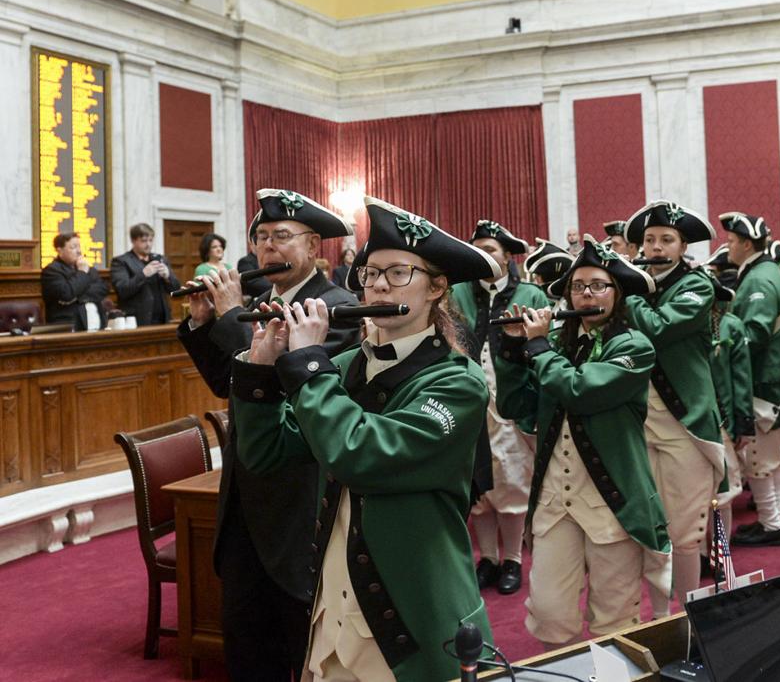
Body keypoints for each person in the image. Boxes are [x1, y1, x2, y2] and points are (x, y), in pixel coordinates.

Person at [233, 197, 498, 680]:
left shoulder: (456, 382)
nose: (376, 284)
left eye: (398, 273)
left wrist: (308, 365)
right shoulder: (344, 368)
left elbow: (361, 453)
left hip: (409, 615)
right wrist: (260, 373)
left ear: (437, 288)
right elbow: (266, 453)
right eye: (370, 272)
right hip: (329, 611)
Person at [177, 189, 358, 682]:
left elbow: (283, 387)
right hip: (242, 499)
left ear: (314, 245)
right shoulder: (258, 303)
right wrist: (202, 323)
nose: (268, 250)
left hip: (297, 499)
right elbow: (228, 384)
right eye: (260, 238)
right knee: (246, 640)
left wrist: (234, 315)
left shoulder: (336, 310)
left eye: (282, 237)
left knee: (295, 642)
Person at [494, 236, 670, 649]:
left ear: (617, 294)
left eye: (597, 285)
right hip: (556, 504)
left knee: (614, 618)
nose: (586, 294)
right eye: (578, 286)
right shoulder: (555, 346)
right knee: (551, 613)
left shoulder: (634, 346)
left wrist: (536, 348)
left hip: (614, 504)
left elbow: (581, 390)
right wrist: (513, 351)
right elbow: (515, 405)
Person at [623, 201, 725, 613]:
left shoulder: (697, 285)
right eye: (649, 240)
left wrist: (626, 291)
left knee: (683, 530)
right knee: (649, 524)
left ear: (683, 246)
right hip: (636, 420)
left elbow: (657, 329)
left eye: (667, 240)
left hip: (685, 423)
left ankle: (690, 616)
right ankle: (660, 617)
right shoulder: (635, 283)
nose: (656, 247)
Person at [451, 220, 548, 596]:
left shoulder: (530, 294)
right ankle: (487, 558)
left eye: (490, 249)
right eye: (478, 249)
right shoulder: (457, 292)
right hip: (469, 408)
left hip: (510, 408)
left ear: (507, 256)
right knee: (478, 491)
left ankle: (513, 559)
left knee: (511, 485)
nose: (484, 256)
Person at [719, 211, 780, 547]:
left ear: (745, 243)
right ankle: (771, 522)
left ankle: (772, 526)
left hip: (767, 383)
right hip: (775, 379)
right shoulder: (765, 271)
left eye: (730, 241)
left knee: (759, 457)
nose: (726, 246)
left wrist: (721, 350)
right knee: (769, 456)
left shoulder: (758, 279)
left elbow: (753, 334)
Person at [702, 247, 755, 549]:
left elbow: (741, 381)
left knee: (724, 491)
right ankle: (700, 552)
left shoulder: (731, 326)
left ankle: (718, 551)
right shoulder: (682, 330)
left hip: (721, 421)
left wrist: (743, 425)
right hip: (694, 422)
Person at [111, 223, 181, 325]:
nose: (148, 244)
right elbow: (123, 290)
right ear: (133, 241)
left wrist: (168, 276)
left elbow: (176, 289)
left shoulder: (160, 259)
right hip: (137, 320)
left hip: (163, 319)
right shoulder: (121, 261)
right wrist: (143, 274)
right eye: (143, 241)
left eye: (150, 240)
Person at [41, 231, 109, 331]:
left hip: (98, 323)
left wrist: (77, 295)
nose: (79, 251)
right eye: (73, 247)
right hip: (68, 326)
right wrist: (82, 273)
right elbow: (66, 294)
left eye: (79, 247)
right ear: (59, 250)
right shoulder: (52, 271)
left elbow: (103, 289)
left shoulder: (89, 269)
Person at [238, 211, 273, 298]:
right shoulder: (245, 261)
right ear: (251, 244)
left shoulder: (271, 258)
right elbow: (255, 283)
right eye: (262, 239)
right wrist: (278, 286)